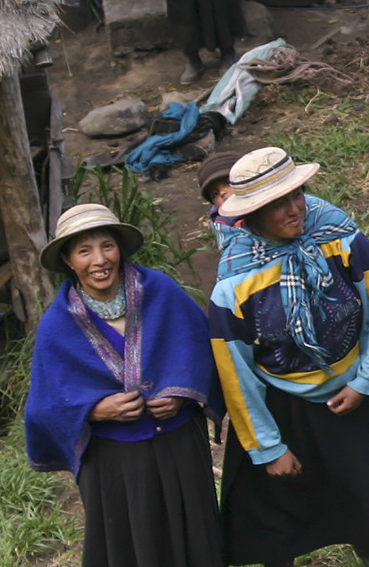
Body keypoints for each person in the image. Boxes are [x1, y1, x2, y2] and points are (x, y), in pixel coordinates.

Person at [208, 147, 369, 566]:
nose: (294, 209)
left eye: (296, 195)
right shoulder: (234, 283)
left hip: (346, 395)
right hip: (279, 402)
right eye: (277, 204)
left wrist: (365, 382)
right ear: (252, 214)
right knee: (276, 510)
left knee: (364, 494)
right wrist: (268, 447)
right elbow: (237, 375)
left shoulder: (342, 238)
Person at [25, 204, 224, 567]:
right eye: (84, 251)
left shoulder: (160, 291)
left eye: (107, 246)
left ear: (120, 249)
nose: (99, 260)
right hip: (114, 460)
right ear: (69, 261)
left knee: (194, 533)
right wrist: (95, 410)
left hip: (177, 443)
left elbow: (201, 349)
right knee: (133, 545)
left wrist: (181, 393)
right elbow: (45, 405)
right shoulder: (57, 325)